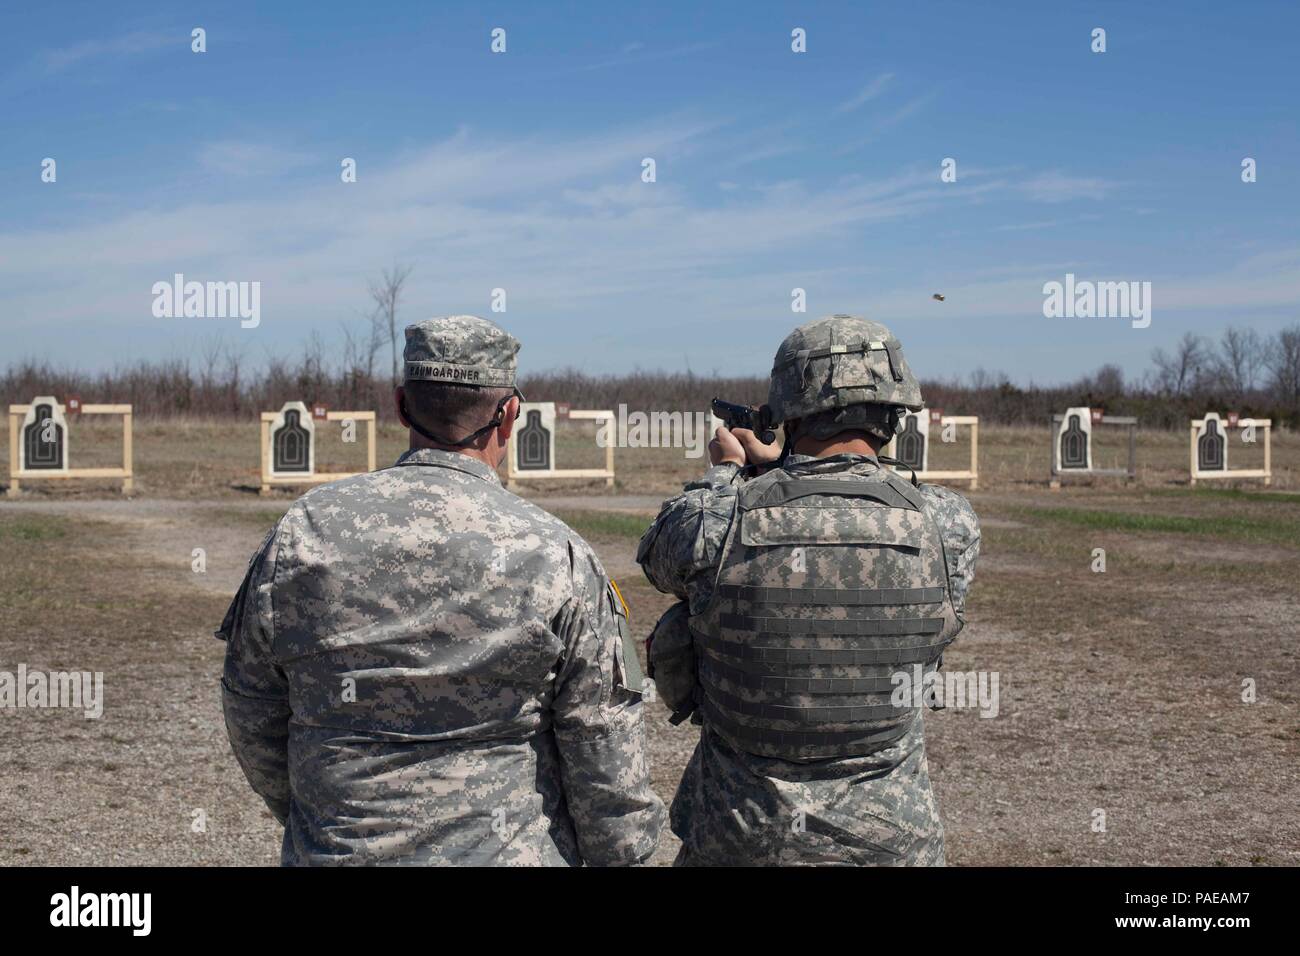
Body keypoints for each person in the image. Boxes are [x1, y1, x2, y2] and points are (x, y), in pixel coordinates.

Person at [218, 315, 665, 865]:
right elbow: (604, 748)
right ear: (509, 414)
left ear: (402, 407)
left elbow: (251, 706)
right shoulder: (557, 553)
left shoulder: (303, 531)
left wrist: (320, 815)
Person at [637, 314, 980, 866]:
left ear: (788, 410)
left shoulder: (715, 518)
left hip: (742, 838)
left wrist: (728, 473)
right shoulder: (947, 524)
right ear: (892, 414)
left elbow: (661, 561)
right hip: (892, 840)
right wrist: (784, 472)